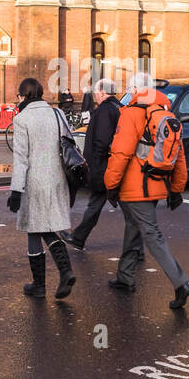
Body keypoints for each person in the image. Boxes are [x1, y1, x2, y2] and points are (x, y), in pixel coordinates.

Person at [104, 82, 189, 309]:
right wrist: (176, 189)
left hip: (134, 187)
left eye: (133, 90)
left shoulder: (131, 114)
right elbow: (179, 158)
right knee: (133, 226)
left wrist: (110, 184)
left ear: (138, 94)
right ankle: (125, 276)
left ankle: (180, 282)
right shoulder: (166, 115)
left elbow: (121, 153)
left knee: (152, 235)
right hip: (156, 184)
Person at [8, 77, 76, 299]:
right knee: (38, 227)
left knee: (40, 226)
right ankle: (43, 281)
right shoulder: (57, 114)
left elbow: (21, 158)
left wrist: (16, 190)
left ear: (24, 96)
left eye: (18, 96)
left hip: (34, 181)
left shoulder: (22, 119)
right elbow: (69, 142)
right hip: (57, 178)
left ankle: (51, 278)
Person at [66, 78, 123, 251]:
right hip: (115, 165)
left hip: (104, 166)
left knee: (125, 209)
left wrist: (95, 164)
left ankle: (136, 247)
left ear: (103, 93)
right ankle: (78, 238)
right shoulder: (119, 108)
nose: (95, 97)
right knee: (100, 204)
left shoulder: (105, 110)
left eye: (96, 93)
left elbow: (102, 141)